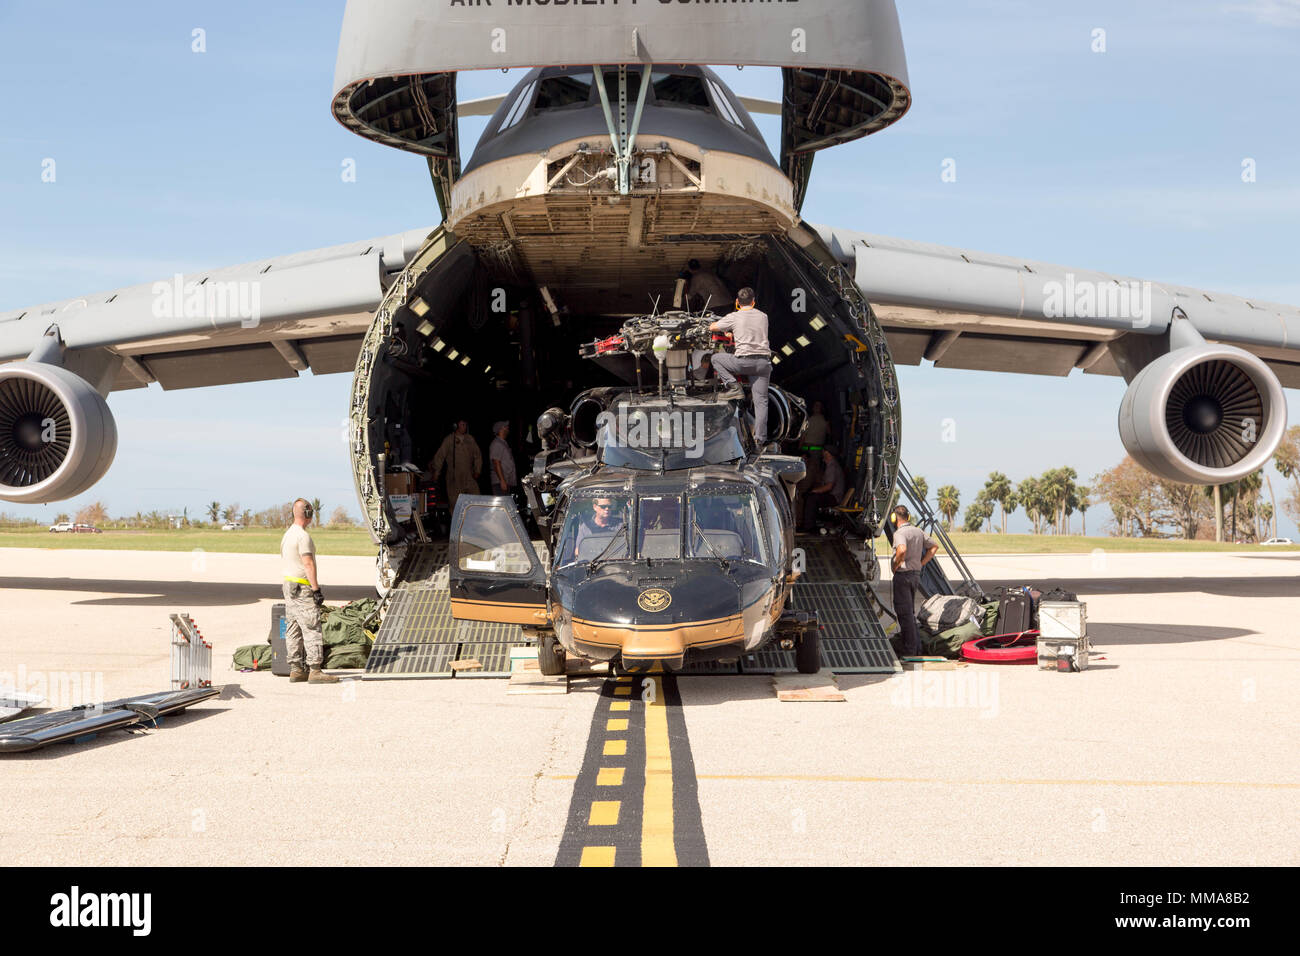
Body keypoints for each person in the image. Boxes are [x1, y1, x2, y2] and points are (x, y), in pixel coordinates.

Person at [279, 499, 338, 684]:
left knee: (293, 628)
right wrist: (316, 589)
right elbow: (307, 563)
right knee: (312, 627)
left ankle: (296, 669)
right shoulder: (303, 536)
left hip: (288, 585)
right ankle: (315, 670)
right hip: (302, 586)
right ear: (308, 514)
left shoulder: (287, 535)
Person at [710, 288, 772, 445]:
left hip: (743, 362)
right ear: (754, 301)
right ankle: (760, 438)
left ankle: (733, 387)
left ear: (737, 302)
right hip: (763, 364)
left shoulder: (734, 316)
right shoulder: (763, 316)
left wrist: (729, 331)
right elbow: (752, 332)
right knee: (761, 402)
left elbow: (713, 327)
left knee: (716, 358)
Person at [890, 505, 940, 658]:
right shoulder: (918, 531)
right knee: (910, 613)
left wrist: (896, 564)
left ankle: (910, 651)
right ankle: (916, 648)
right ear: (908, 517)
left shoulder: (900, 533)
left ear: (894, 518)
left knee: (904, 614)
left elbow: (902, 549)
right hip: (915, 575)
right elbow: (934, 546)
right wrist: (921, 563)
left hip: (903, 575)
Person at [430, 419, 482, 509]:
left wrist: (477, 470)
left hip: (469, 475)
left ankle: (474, 520)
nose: (464, 427)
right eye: (462, 424)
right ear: (456, 426)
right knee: (455, 503)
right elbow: (440, 456)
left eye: (465, 424)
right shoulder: (449, 439)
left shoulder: (470, 439)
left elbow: (477, 455)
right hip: (454, 476)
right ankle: (456, 522)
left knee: (476, 497)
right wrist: (436, 473)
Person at [799, 447, 847, 531]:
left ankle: (808, 526)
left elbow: (829, 486)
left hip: (834, 497)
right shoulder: (833, 465)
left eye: (825, 454)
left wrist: (813, 491)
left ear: (828, 454)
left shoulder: (832, 466)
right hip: (834, 496)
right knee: (811, 496)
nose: (823, 457)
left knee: (812, 498)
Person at [574, 497, 626, 562]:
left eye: (609, 506)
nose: (607, 509)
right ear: (595, 507)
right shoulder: (585, 527)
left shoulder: (620, 525)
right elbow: (578, 551)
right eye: (603, 506)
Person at [489, 421, 517, 497]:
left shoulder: (503, 443)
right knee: (502, 506)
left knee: (505, 506)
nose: (508, 428)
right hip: (500, 483)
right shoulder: (496, 443)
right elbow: (496, 462)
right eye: (506, 426)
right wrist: (502, 481)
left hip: (505, 481)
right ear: (501, 429)